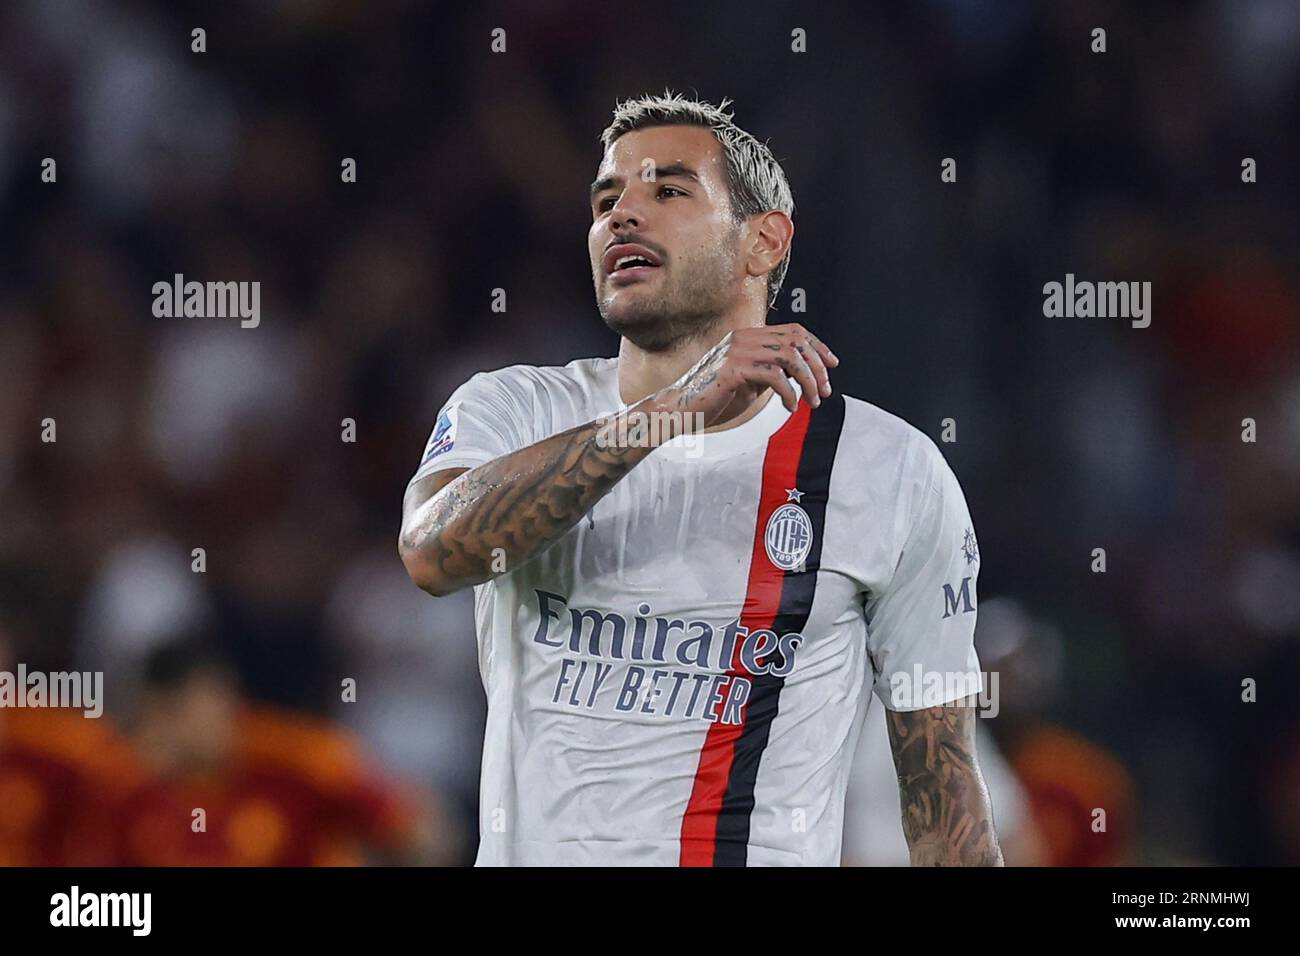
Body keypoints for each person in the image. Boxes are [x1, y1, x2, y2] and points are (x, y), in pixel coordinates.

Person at [399, 92, 1002, 866]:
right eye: (607, 199)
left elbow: (942, 790)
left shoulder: (891, 471)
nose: (622, 215)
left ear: (763, 242)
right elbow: (433, 553)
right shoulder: (512, 407)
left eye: (668, 190)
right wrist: (669, 412)